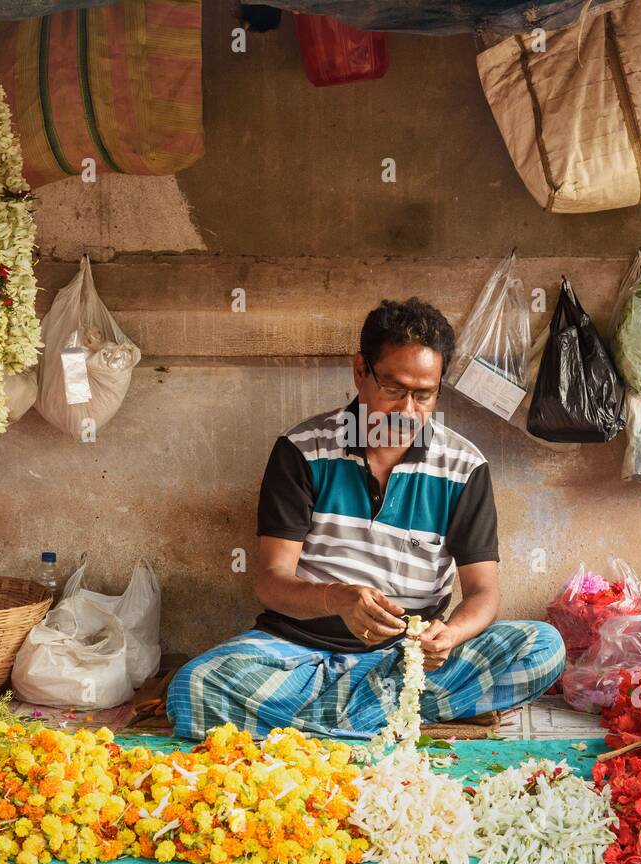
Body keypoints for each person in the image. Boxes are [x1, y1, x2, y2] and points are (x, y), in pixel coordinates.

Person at [167, 298, 564, 738]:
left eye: (424, 395)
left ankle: (330, 722)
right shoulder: (303, 449)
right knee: (194, 687)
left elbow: (483, 592)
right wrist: (336, 599)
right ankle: (387, 716)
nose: (408, 410)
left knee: (543, 648)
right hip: (300, 654)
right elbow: (270, 581)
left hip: (405, 660)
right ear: (361, 371)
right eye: (393, 389)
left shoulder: (463, 467)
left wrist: (449, 635)